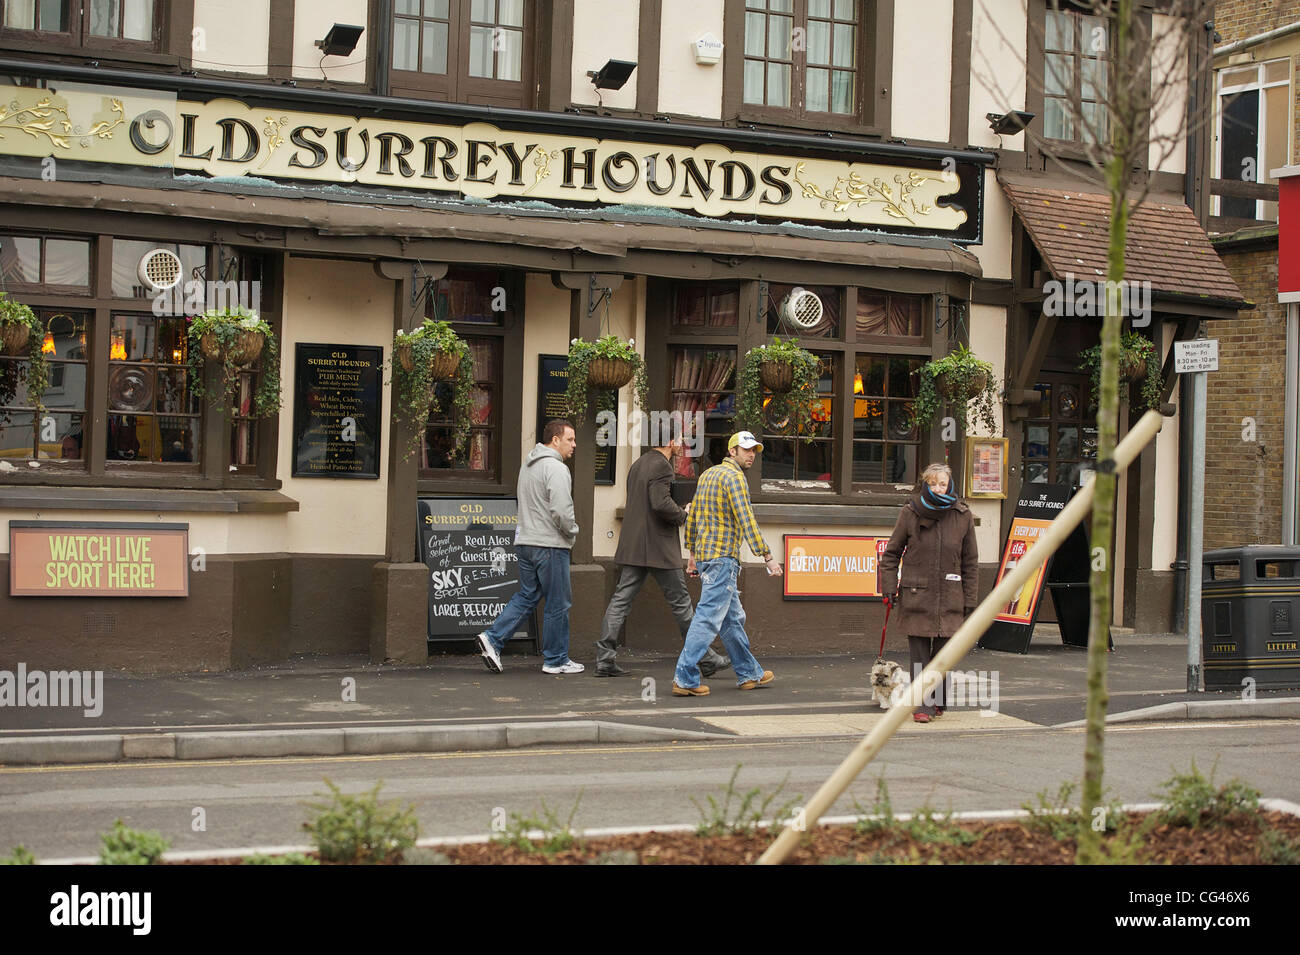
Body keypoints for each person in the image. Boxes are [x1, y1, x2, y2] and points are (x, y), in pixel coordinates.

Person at [594, 426, 731, 678]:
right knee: (681, 605)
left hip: (635, 546)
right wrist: (684, 514)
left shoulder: (638, 464)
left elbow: (645, 502)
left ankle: (605, 659)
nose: (681, 443)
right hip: (658, 546)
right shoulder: (663, 466)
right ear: (669, 441)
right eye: (678, 439)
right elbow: (660, 503)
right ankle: (705, 657)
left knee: (620, 601)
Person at [672, 430, 782, 697]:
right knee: (708, 618)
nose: (751, 455)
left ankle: (748, 673)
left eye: (754, 450)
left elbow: (694, 516)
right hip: (723, 559)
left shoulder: (708, 475)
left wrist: (692, 555)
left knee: (731, 619)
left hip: (709, 557)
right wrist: (766, 556)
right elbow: (746, 519)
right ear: (732, 451)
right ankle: (684, 677)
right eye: (746, 450)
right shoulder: (735, 478)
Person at [476, 419, 584, 675]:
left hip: (525, 542)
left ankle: (492, 638)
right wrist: (572, 531)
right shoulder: (556, 468)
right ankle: (555, 660)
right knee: (558, 603)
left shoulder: (528, 464)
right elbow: (560, 510)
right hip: (549, 545)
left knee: (528, 595)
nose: (574, 445)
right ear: (555, 440)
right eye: (570, 439)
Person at [878, 463, 979, 724]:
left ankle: (938, 700)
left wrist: (970, 600)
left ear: (950, 485)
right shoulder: (910, 513)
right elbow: (891, 554)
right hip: (917, 595)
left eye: (942, 484)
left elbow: (970, 562)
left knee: (944, 655)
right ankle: (921, 705)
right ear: (925, 485)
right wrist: (889, 588)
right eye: (932, 483)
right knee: (920, 657)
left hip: (951, 596)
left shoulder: (963, 515)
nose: (937, 488)